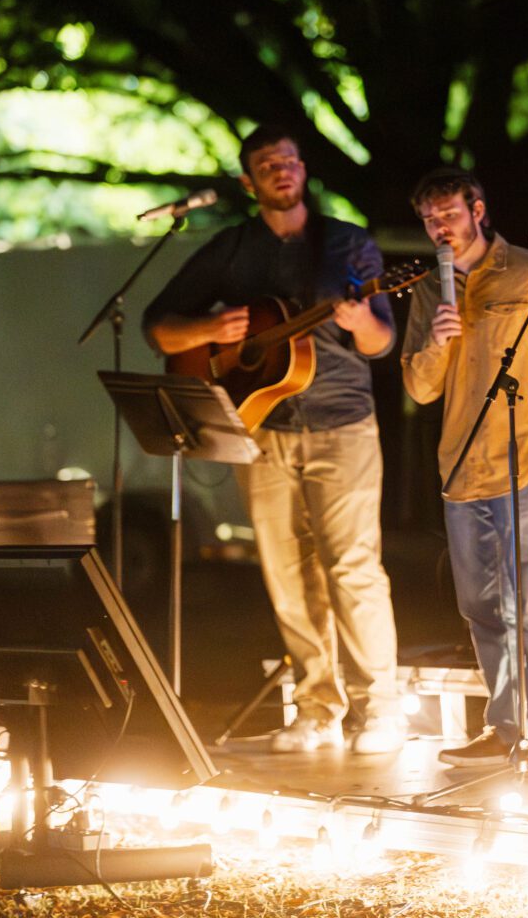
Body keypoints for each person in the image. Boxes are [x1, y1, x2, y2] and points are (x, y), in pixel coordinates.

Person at [143, 124, 402, 754]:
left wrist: (359, 316)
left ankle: (383, 709)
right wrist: (208, 327)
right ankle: (317, 710)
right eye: (267, 164)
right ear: (248, 181)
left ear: (303, 170)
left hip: (342, 425)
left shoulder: (345, 243)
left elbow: (381, 342)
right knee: (288, 577)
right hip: (258, 428)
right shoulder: (232, 250)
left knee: (353, 568)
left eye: (289, 160)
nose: (281, 171)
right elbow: (158, 330)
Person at [399, 167, 528, 769]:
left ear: (478, 209)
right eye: (430, 220)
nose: (440, 229)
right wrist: (436, 340)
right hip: (460, 469)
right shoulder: (431, 290)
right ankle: (504, 727)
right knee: (481, 608)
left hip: (525, 464)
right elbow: (420, 389)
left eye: (449, 214)